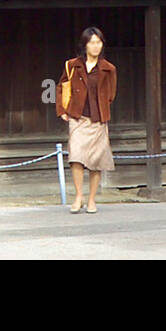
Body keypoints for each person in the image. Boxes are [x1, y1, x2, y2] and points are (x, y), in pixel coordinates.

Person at [56, 26, 116, 213]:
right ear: (85, 45)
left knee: (96, 161)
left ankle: (91, 200)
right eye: (92, 42)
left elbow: (111, 94)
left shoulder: (108, 69)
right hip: (78, 117)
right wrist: (63, 110)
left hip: (98, 118)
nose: (95, 46)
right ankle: (78, 196)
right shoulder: (72, 65)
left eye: (99, 42)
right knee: (76, 157)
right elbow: (61, 87)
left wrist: (102, 106)